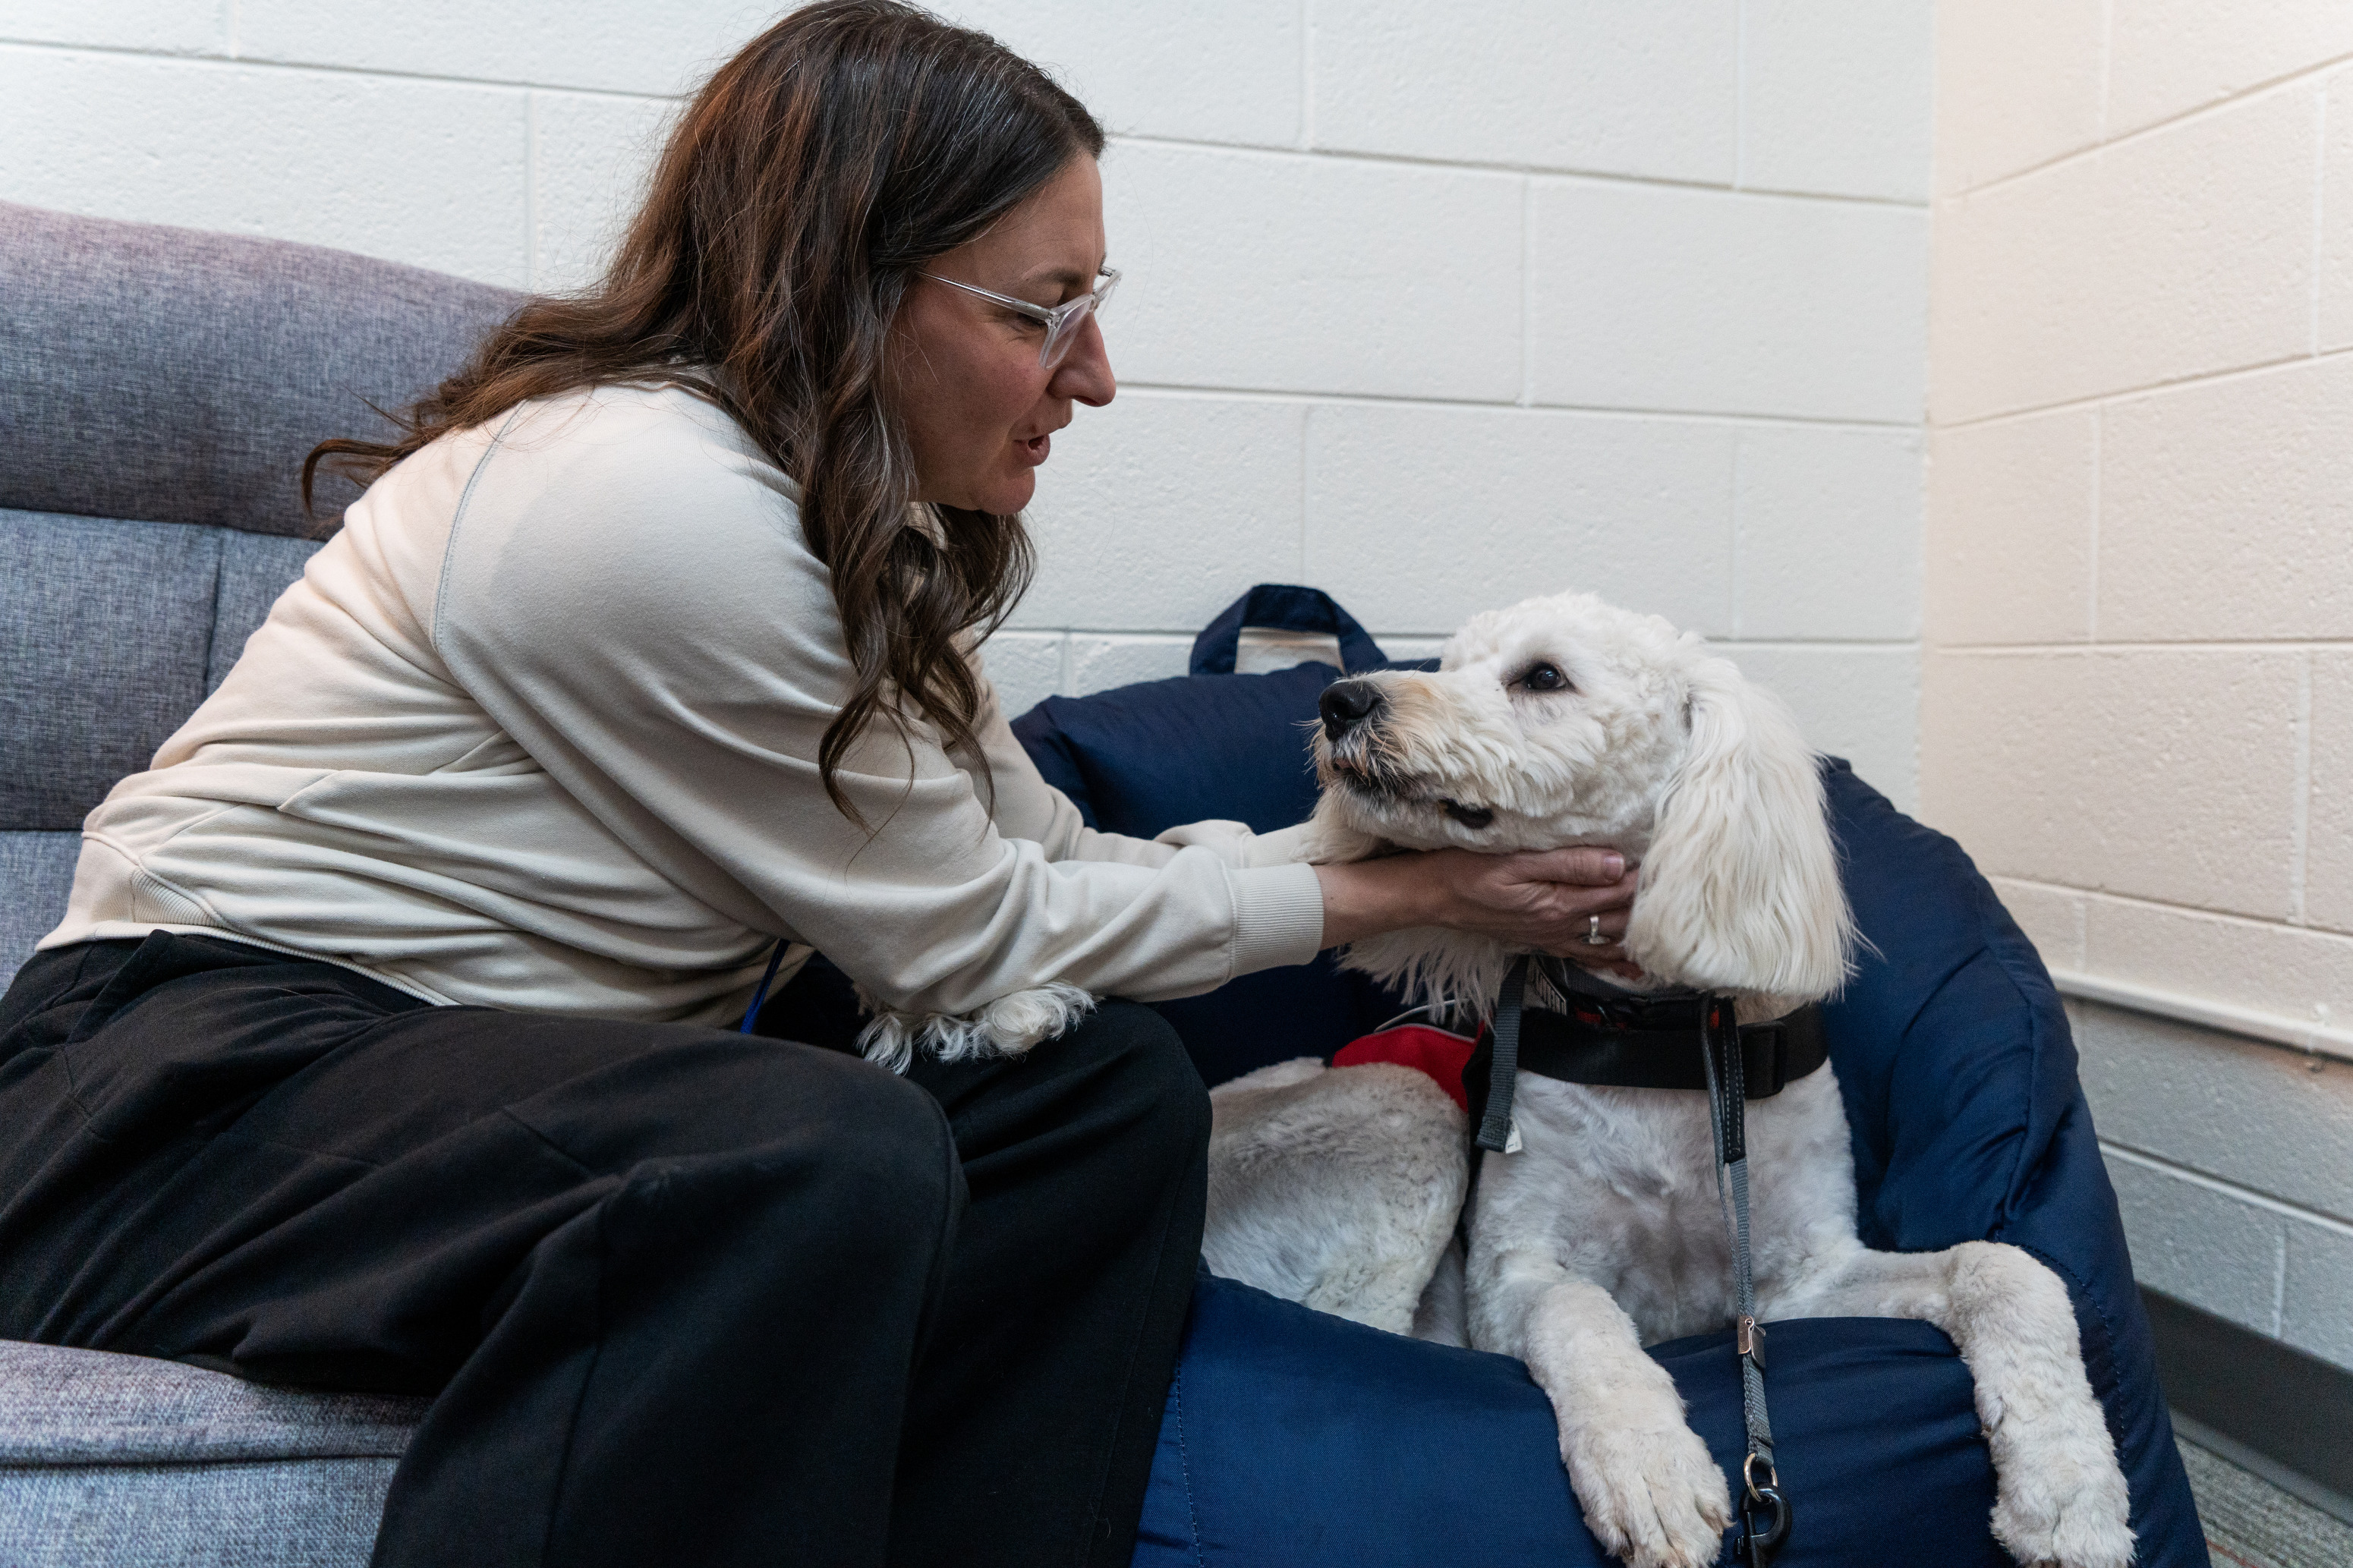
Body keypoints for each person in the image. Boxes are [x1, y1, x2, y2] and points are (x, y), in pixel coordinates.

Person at [0, 5, 1639, 1565]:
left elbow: (1051, 863)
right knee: (805, 1146)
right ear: (844, 288)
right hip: (171, 1105)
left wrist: (1401, 852)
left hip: (485, 1086)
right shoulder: (656, 502)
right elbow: (970, 946)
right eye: (1038, 310)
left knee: (1098, 1093)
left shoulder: (847, 543)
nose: (1093, 375)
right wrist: (1392, 898)